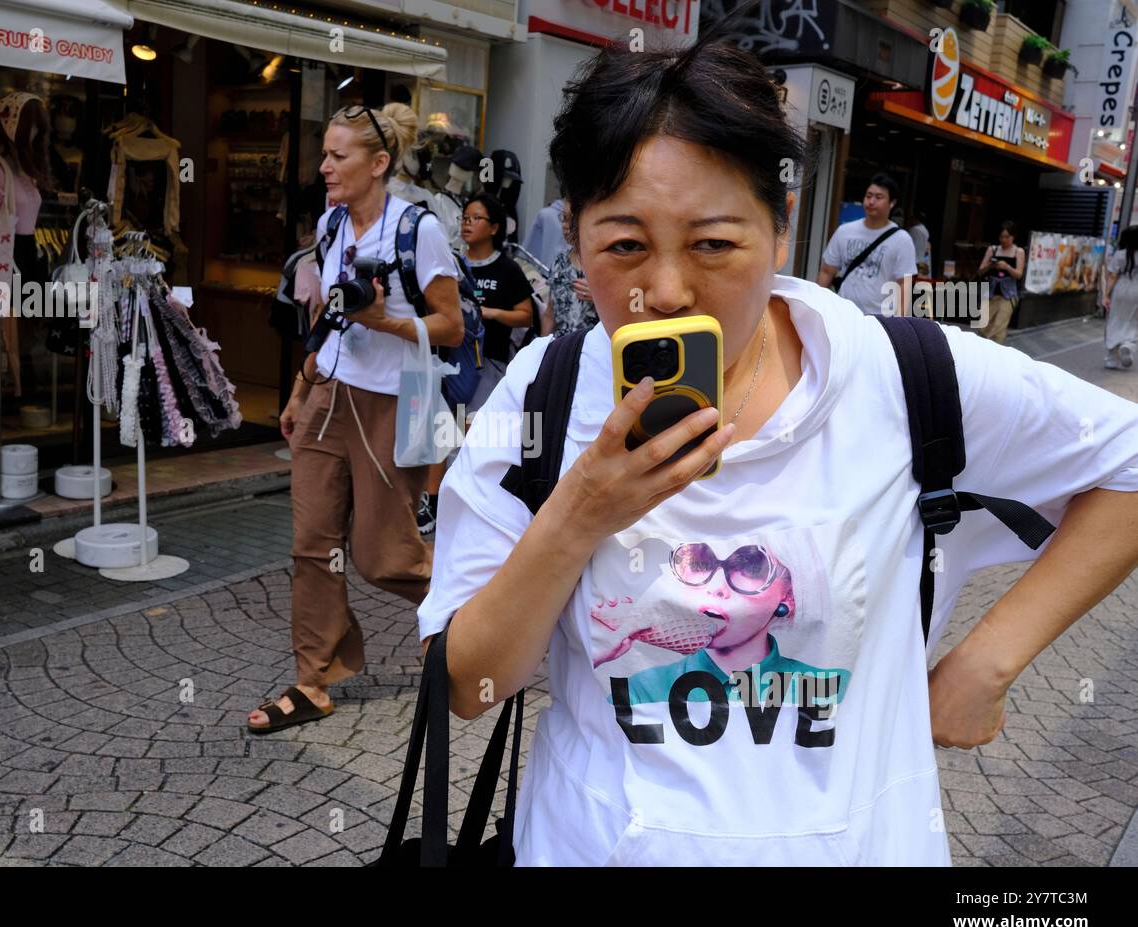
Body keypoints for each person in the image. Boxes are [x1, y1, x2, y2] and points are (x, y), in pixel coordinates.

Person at [416, 22, 1138, 866]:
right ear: (575, 240)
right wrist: (577, 515)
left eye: (714, 243)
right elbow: (467, 687)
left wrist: (989, 661)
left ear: (782, 227)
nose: (669, 289)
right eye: (624, 246)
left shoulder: (901, 375)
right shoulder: (539, 393)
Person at [247, 102, 465, 733]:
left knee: (381, 555)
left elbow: (449, 327)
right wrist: (299, 386)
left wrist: (388, 322)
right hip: (328, 393)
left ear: (377, 164)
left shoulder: (416, 229)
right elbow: (333, 317)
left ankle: (470, 617)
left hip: (390, 402)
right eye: (324, 154)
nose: (323, 168)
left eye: (337, 156)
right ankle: (313, 680)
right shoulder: (332, 223)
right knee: (312, 545)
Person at [416, 193, 534, 535]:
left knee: (475, 434)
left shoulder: (507, 268)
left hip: (490, 364)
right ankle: (434, 501)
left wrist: (491, 314)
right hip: (450, 362)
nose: (466, 224)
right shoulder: (450, 264)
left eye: (476, 218)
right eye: (464, 217)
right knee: (442, 431)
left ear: (495, 227)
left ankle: (476, 502)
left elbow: (526, 315)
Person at [0, 92, 54, 397]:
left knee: (31, 335)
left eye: (39, 127)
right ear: (13, 125)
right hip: (6, 255)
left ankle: (29, 395)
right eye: (31, 125)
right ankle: (15, 396)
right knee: (9, 335)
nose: (35, 134)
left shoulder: (23, 169)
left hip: (28, 252)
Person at [816, 174, 916, 316]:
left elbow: (904, 284)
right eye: (868, 196)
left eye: (878, 197)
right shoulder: (844, 231)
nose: (871, 201)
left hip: (880, 320)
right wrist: (817, 307)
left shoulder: (902, 240)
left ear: (892, 203)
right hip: (843, 314)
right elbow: (827, 271)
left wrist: (899, 322)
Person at [541, 201, 599, 337]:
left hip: (592, 347)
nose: (565, 226)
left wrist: (600, 298)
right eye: (563, 218)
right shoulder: (560, 261)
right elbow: (550, 315)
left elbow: (628, 312)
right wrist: (542, 351)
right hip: (562, 347)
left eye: (571, 219)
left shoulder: (603, 261)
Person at [976, 221, 1025, 344]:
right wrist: (990, 266)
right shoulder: (992, 249)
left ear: (1013, 237)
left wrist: (1007, 267)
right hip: (990, 292)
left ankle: (995, 356)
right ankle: (981, 350)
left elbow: (1019, 274)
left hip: (1007, 295)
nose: (1003, 239)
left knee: (998, 328)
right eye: (1001, 236)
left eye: (1007, 236)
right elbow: (980, 271)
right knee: (982, 325)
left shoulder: (1018, 251)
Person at [1102, 225, 1138, 370]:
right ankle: (1128, 344)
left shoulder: (1119, 254)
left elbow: (1112, 276)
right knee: (1133, 321)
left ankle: (1111, 358)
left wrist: (1105, 295)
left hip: (1121, 289)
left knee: (1115, 320)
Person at [906, 211, 930, 278]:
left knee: (906, 284)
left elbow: (907, 245)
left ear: (916, 219)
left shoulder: (914, 229)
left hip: (911, 261)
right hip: (920, 261)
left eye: (912, 219)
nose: (910, 221)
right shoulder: (925, 231)